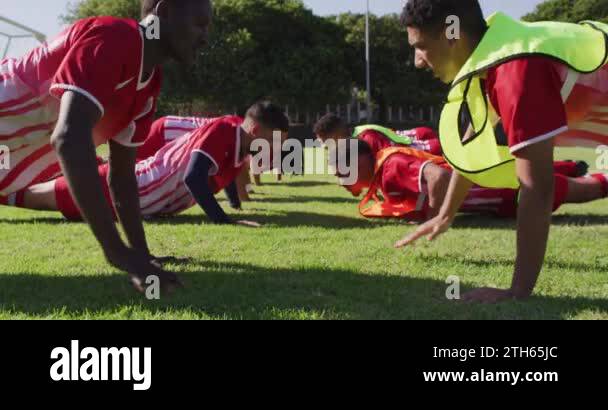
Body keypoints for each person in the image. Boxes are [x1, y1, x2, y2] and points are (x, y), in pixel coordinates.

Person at [398, 0, 608, 302]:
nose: (417, 61)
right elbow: (473, 149)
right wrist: (445, 215)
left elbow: (537, 187)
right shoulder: (494, 54)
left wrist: (517, 291)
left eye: (420, 46)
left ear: (451, 34)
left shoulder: (514, 69)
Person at [0, 0, 213, 293]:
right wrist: (117, 252)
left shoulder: (148, 84)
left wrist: (140, 255)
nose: (205, 37)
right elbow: (69, 138)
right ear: (164, 11)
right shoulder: (113, 37)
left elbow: (122, 178)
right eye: (200, 23)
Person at [3, 102, 289, 226]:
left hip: (143, 196)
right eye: (274, 140)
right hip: (131, 188)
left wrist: (235, 208)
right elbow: (193, 177)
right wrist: (223, 220)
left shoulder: (239, 146)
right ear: (255, 132)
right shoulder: (225, 131)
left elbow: (223, 180)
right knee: (28, 197)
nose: (275, 148)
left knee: (40, 187)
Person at [338, 140, 607, 223]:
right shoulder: (384, 176)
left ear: (359, 160)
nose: (340, 181)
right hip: (503, 196)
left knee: (591, 189)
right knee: (580, 186)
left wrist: (436, 218)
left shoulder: (390, 168)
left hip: (508, 187)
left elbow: (439, 178)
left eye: (341, 172)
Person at [313, 113, 442, 155]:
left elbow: (388, 163)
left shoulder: (367, 138)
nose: (325, 148)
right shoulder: (357, 136)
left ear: (336, 136)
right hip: (418, 139)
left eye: (326, 143)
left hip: (428, 147)